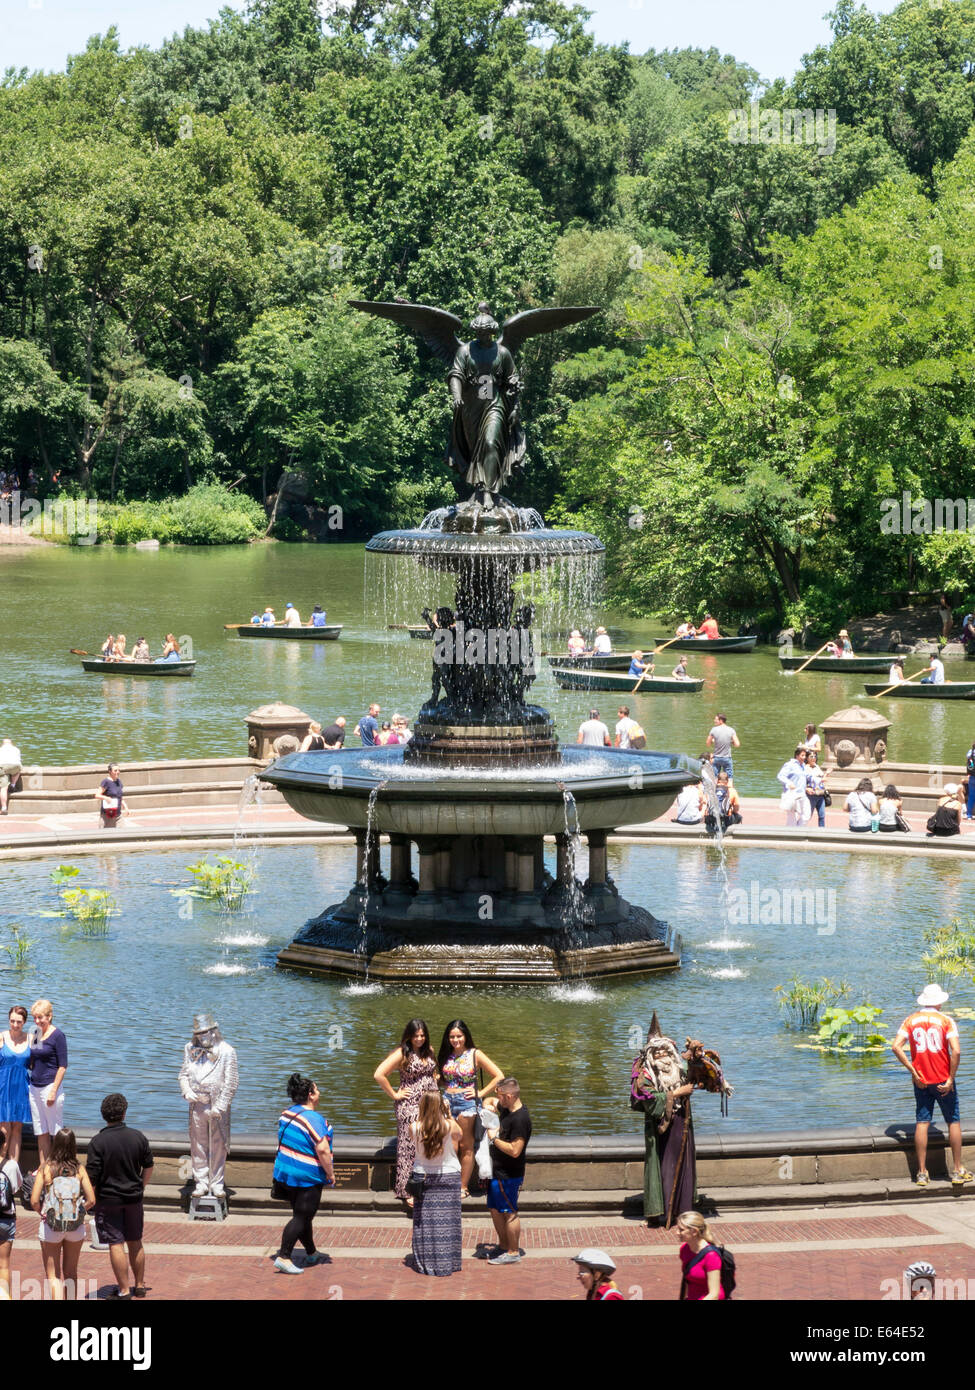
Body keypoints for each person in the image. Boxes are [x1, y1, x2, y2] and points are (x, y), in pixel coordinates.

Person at [892, 985, 973, 1190]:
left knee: (922, 1122)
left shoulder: (910, 1020)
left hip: (921, 1080)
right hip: (942, 1080)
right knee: (953, 1122)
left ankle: (921, 1172)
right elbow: (956, 1051)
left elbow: (895, 1046)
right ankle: (957, 1170)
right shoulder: (946, 1021)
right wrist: (951, 1078)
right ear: (939, 1002)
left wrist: (913, 1070)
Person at [631, 1019, 699, 1228]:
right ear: (651, 1055)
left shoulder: (678, 1069)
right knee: (665, 1167)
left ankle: (683, 1210)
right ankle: (663, 1211)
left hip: (681, 1123)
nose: (662, 1056)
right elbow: (647, 1099)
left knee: (682, 1164)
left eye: (665, 1052)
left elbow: (697, 1079)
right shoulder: (646, 1075)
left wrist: (695, 1059)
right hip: (660, 1128)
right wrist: (677, 1093)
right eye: (657, 1053)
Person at [85, 1093, 154, 1299]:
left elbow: (92, 1177)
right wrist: (141, 1186)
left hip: (109, 1200)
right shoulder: (138, 1136)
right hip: (134, 1198)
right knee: (136, 1241)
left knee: (116, 1243)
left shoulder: (97, 1142)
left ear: (104, 1115)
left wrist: (90, 1200)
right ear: (124, 1113)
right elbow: (149, 1165)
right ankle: (140, 1285)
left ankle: (124, 1290)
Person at [271, 1073, 334, 1275]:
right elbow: (323, 1150)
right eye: (316, 1089)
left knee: (302, 1216)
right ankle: (284, 1256)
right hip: (307, 1176)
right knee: (301, 1217)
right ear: (310, 1095)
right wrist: (330, 1173)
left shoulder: (286, 1114)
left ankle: (311, 1252)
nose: (319, 1092)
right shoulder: (315, 1120)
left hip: (286, 1174)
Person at [374, 1020, 439, 1206]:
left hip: (431, 1105)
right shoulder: (401, 1053)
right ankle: (406, 1189)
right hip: (410, 1105)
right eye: (416, 1035)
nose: (419, 1039)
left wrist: (435, 1083)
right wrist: (395, 1094)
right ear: (409, 1036)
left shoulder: (429, 1050)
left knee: (429, 1144)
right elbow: (379, 1074)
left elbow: (432, 1073)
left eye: (422, 1035)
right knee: (409, 1147)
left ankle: (425, 1185)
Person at [436, 1020, 504, 1197]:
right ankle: (448, 1182)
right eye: (452, 1036)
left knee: (466, 1145)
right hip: (446, 1102)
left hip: (467, 1103)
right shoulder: (446, 1054)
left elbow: (499, 1076)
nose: (455, 1040)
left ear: (465, 1036)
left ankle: (462, 1187)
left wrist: (479, 1092)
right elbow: (445, 1079)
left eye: (459, 1036)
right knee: (448, 1144)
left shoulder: (475, 1054)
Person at [178, 1013, 238, 1198]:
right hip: (197, 1104)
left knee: (218, 1145)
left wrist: (219, 1107)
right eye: (198, 1033)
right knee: (198, 1145)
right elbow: (183, 1074)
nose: (202, 1036)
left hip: (217, 1106)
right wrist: (186, 1090)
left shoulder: (227, 1051)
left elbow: (232, 1083)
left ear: (214, 1031)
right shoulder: (189, 1048)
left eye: (205, 1032)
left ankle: (217, 1183)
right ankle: (201, 1182)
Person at [30, 1129, 95, 1301]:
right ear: (74, 1145)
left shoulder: (46, 1168)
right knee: (71, 1272)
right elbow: (91, 1200)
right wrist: (79, 1212)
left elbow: (35, 1200)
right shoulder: (79, 1169)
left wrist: (43, 1213)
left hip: (51, 1226)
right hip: (75, 1226)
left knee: (53, 1275)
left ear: (55, 1144)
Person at [410, 1091, 463, 1277]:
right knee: (449, 1220)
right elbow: (460, 1135)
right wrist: (448, 1114)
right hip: (448, 1176)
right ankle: (449, 1261)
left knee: (423, 1221)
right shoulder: (450, 1125)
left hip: (423, 1177)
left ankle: (427, 1262)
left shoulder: (414, 1127)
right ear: (442, 1106)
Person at [486, 1077, 531, 1264]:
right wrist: (488, 1107)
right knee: (495, 1209)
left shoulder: (520, 1119)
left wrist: (494, 1139)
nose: (499, 1100)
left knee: (509, 1211)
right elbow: (488, 1100)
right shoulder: (506, 1107)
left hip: (509, 1174)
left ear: (510, 1096)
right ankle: (503, 1245)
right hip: (496, 1171)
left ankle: (513, 1252)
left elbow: (515, 1151)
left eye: (502, 1096)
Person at [28, 999, 66, 1162]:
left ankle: (57, 1165)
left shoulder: (58, 1036)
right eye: (35, 1018)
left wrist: (53, 1091)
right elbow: (33, 1060)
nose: (37, 1021)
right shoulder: (35, 1032)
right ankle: (43, 1166)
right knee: (40, 1130)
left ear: (49, 1016)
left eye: (40, 1017)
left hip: (50, 1087)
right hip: (34, 1087)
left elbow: (63, 1066)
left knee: (55, 1131)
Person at [0, 1006, 32, 1164]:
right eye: (12, 1021)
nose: (15, 1024)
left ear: (24, 1022)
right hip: (3, 1087)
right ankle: (1, 1167)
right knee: (4, 1128)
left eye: (19, 1021)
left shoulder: (32, 1038)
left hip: (21, 1087)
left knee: (17, 1129)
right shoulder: (1, 1037)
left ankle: (13, 1170)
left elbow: (39, 1063)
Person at [676, 1211, 726, 1300]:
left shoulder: (711, 1256)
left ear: (694, 1231)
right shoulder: (684, 1249)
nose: (677, 1233)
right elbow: (688, 1280)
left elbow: (714, 1294)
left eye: (681, 1230)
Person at [0, 1127, 22, 1300]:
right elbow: (15, 1187)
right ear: (4, 1145)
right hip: (6, 1218)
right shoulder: (12, 1165)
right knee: (4, 1264)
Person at [777, 747, 810, 826]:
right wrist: (789, 783)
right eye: (802, 755)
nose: (804, 757)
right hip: (792, 795)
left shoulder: (803, 766)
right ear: (797, 756)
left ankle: (797, 829)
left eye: (805, 756)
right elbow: (780, 776)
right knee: (792, 817)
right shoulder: (790, 765)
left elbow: (806, 778)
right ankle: (792, 833)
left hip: (802, 794)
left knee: (807, 814)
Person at [706, 714, 740, 780]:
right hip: (727, 758)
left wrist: (714, 740)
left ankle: (714, 789)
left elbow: (708, 744)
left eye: (716, 719)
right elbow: (737, 744)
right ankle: (729, 788)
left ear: (721, 721)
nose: (714, 720)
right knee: (729, 778)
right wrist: (730, 741)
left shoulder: (713, 730)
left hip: (716, 758)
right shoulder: (731, 730)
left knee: (714, 778)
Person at [95, 763, 128, 828]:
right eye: (115, 770)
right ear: (110, 771)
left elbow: (120, 796)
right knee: (106, 836)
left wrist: (125, 807)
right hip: (107, 816)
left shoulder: (119, 781)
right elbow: (97, 795)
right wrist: (105, 797)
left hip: (118, 815)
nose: (117, 772)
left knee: (122, 834)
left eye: (118, 770)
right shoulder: (106, 782)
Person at [804, 751, 830, 829]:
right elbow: (803, 781)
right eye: (811, 756)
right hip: (811, 794)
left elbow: (822, 779)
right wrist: (806, 789)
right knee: (807, 815)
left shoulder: (816, 766)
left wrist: (827, 773)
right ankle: (800, 829)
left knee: (822, 815)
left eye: (815, 756)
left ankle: (822, 833)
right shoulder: (805, 768)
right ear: (807, 758)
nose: (813, 758)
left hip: (820, 794)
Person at [0, 737, 22, 815]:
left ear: (2, 744)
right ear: (11, 743)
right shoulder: (16, 749)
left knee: (3, 788)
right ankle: (13, 784)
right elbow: (18, 760)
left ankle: (4, 808)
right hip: (15, 766)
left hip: (2, 768)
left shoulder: (1, 749)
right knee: (18, 770)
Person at [966, 739, 975, 820]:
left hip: (972, 776)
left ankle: (969, 815)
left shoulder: (970, 752)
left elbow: (968, 762)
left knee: (971, 796)